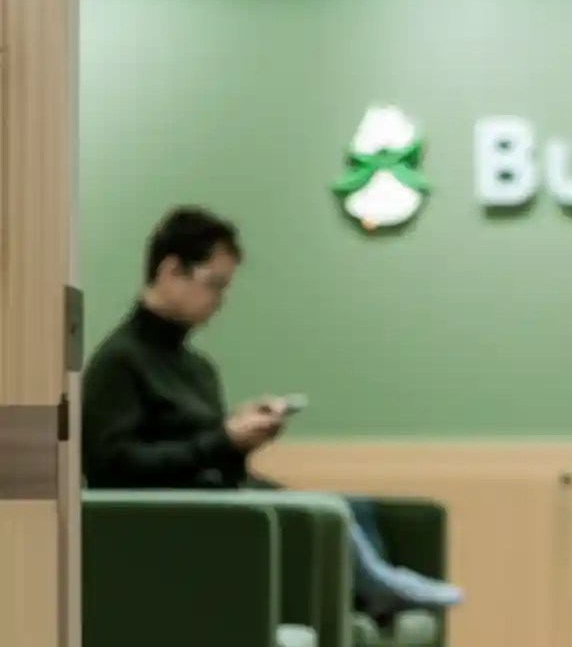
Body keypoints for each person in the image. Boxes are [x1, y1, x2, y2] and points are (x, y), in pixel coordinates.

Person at [80, 206, 462, 618]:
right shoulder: (120, 362)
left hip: (217, 500)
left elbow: (210, 453)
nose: (219, 302)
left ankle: (375, 602)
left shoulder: (196, 367)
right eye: (215, 285)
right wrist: (223, 439)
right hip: (176, 521)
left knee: (355, 507)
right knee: (324, 516)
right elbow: (114, 466)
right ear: (172, 270)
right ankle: (378, 593)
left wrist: (242, 435)